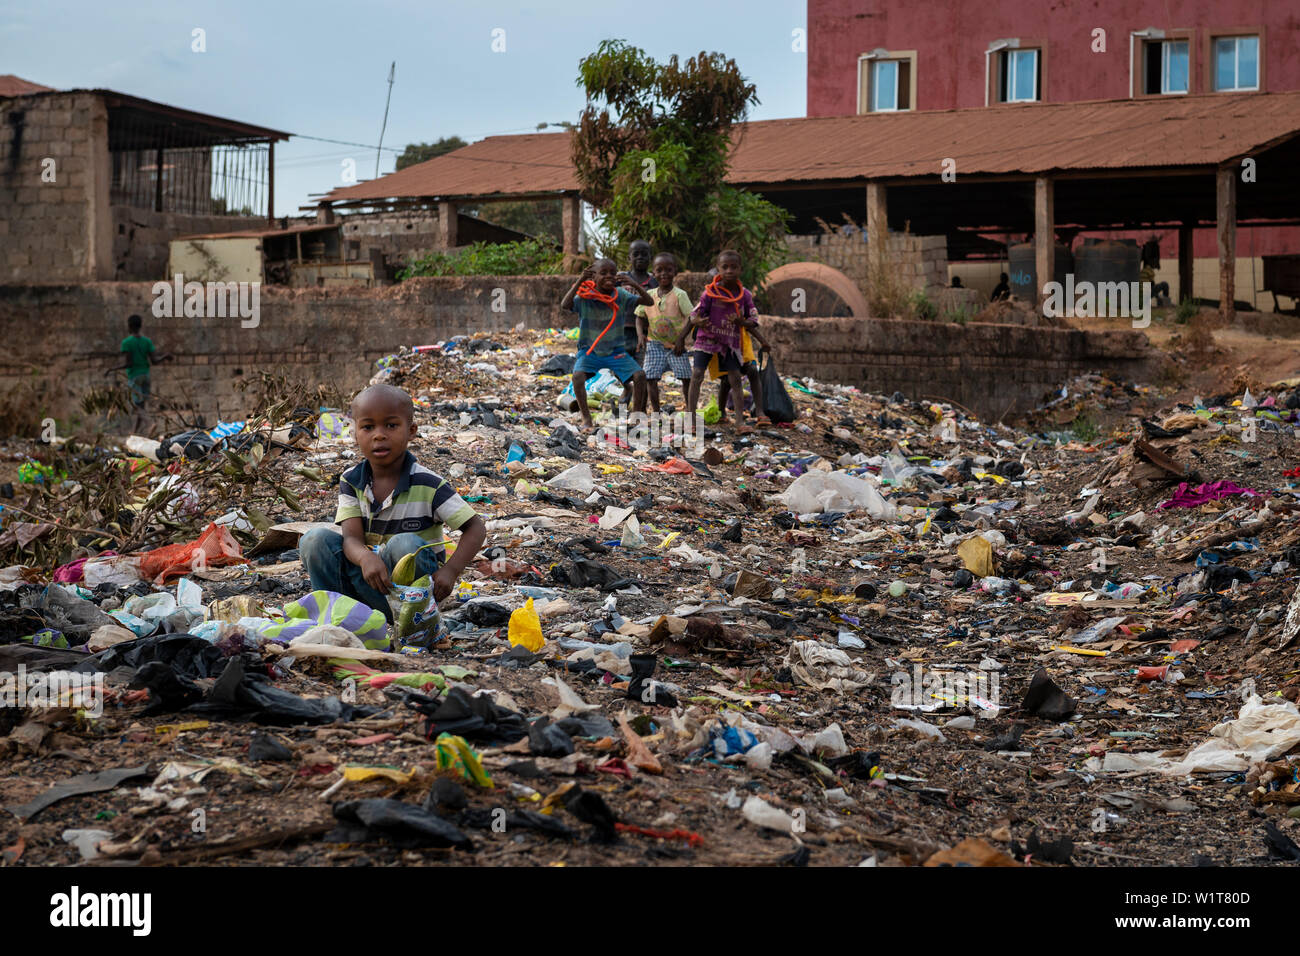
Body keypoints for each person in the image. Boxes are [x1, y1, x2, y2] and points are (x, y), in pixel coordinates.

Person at [299, 384, 487, 621]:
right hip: (368, 584)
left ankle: (413, 622)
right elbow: (352, 539)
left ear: (411, 431)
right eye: (368, 427)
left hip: (413, 597)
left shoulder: (428, 484)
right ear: (355, 434)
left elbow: (475, 528)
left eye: (391, 425)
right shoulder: (351, 480)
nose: (379, 435)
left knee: (404, 545)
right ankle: (338, 617)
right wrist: (365, 558)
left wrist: (450, 571)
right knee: (315, 540)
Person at [561, 258, 652, 430]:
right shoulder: (585, 297)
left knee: (640, 376)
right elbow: (565, 304)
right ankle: (586, 419)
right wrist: (581, 279)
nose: (609, 276)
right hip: (590, 351)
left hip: (615, 351)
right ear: (593, 276)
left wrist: (634, 284)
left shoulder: (621, 295)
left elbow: (649, 302)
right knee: (577, 377)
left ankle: (636, 416)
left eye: (612, 273)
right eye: (603, 273)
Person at [684, 250, 756, 431]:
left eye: (734, 267)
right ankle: (692, 420)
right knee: (697, 375)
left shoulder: (744, 295)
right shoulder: (710, 293)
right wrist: (697, 321)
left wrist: (742, 322)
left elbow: (753, 320)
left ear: (740, 269)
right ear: (718, 269)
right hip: (706, 339)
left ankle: (740, 422)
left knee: (735, 379)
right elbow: (695, 314)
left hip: (730, 342)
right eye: (725, 267)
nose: (729, 271)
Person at [635, 252, 694, 413]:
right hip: (654, 343)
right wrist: (640, 335)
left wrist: (682, 339)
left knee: (686, 377)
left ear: (675, 272)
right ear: (653, 273)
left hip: (676, 345)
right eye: (659, 270)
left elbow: (692, 318)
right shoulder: (649, 295)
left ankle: (690, 410)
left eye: (668, 270)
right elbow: (639, 317)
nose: (664, 274)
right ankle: (656, 411)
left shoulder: (680, 295)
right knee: (651, 378)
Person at [105, 313, 171, 435]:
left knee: (136, 407)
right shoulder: (147, 341)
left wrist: (112, 369)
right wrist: (165, 356)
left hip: (134, 376)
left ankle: (150, 423)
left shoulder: (127, 342)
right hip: (146, 376)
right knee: (141, 406)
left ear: (129, 326)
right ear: (140, 326)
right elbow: (155, 360)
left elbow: (128, 363)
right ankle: (133, 433)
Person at [717, 318, 775, 429]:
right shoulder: (718, 302)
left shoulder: (741, 302)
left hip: (743, 345)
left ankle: (759, 412)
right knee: (727, 380)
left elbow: (749, 323)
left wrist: (763, 341)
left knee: (753, 370)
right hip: (725, 345)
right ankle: (722, 412)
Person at [619, 239, 654, 412]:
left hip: (644, 333)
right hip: (620, 331)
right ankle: (627, 388)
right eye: (636, 254)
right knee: (619, 368)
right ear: (629, 257)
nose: (640, 257)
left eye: (644, 254)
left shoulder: (653, 282)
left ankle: (639, 411)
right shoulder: (620, 278)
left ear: (650, 258)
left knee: (643, 374)